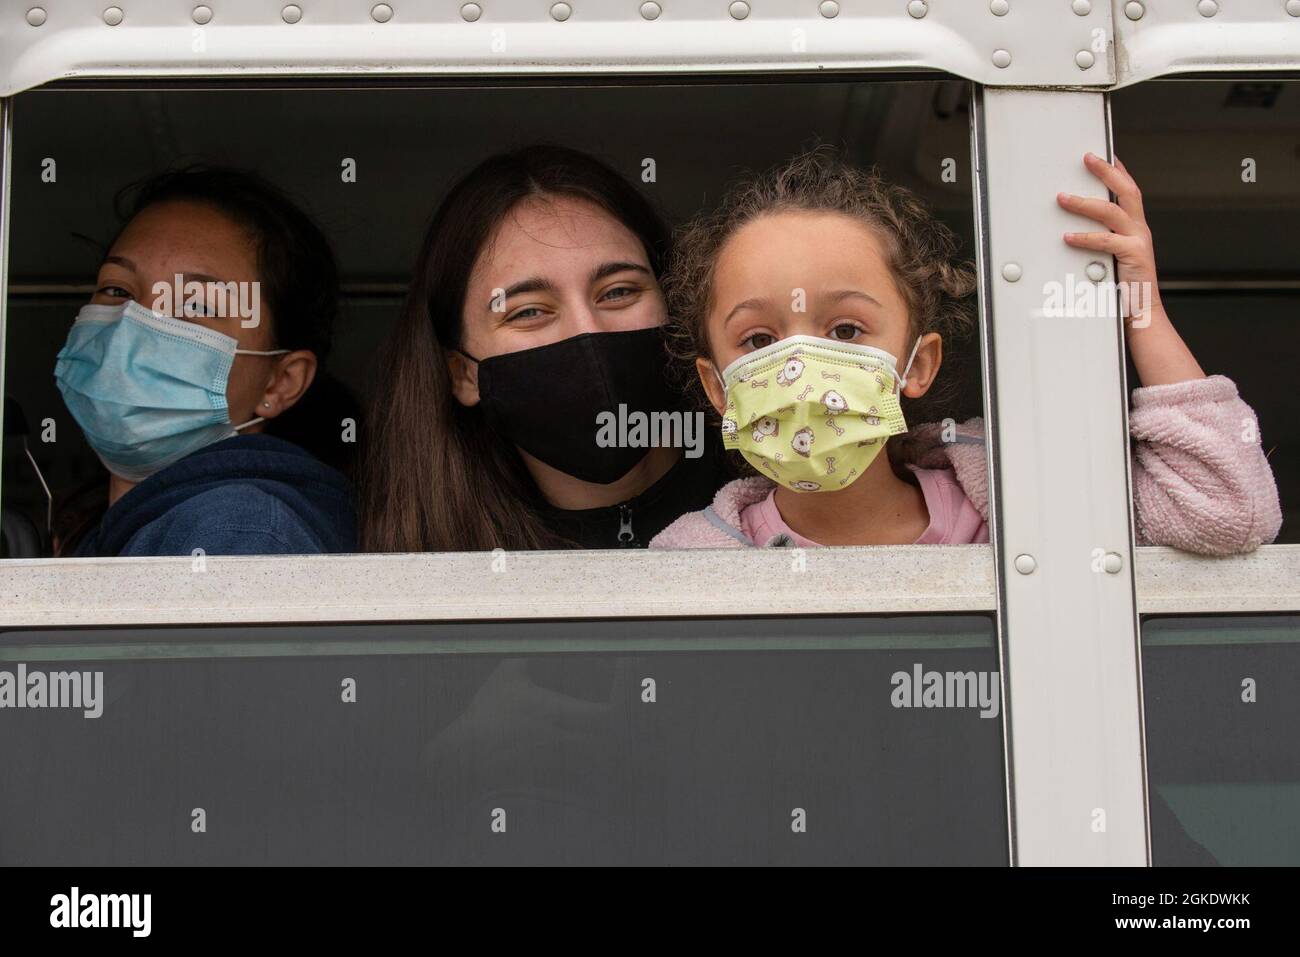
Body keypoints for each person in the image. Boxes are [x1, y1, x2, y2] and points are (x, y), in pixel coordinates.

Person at [651, 148, 1281, 554]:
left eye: (845, 331)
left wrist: (1143, 309)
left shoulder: (1011, 496)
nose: (800, 363)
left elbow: (1226, 515)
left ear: (917, 364)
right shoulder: (692, 556)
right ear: (717, 386)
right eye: (759, 340)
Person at [360, 145, 733, 552]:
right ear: (463, 374)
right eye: (529, 311)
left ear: (675, 306)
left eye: (619, 291)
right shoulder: (425, 556)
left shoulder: (778, 492)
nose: (586, 331)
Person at [52, 166, 356, 557]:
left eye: (195, 304)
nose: (133, 321)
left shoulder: (240, 529)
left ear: (280, 382)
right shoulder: (113, 530)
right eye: (117, 289)